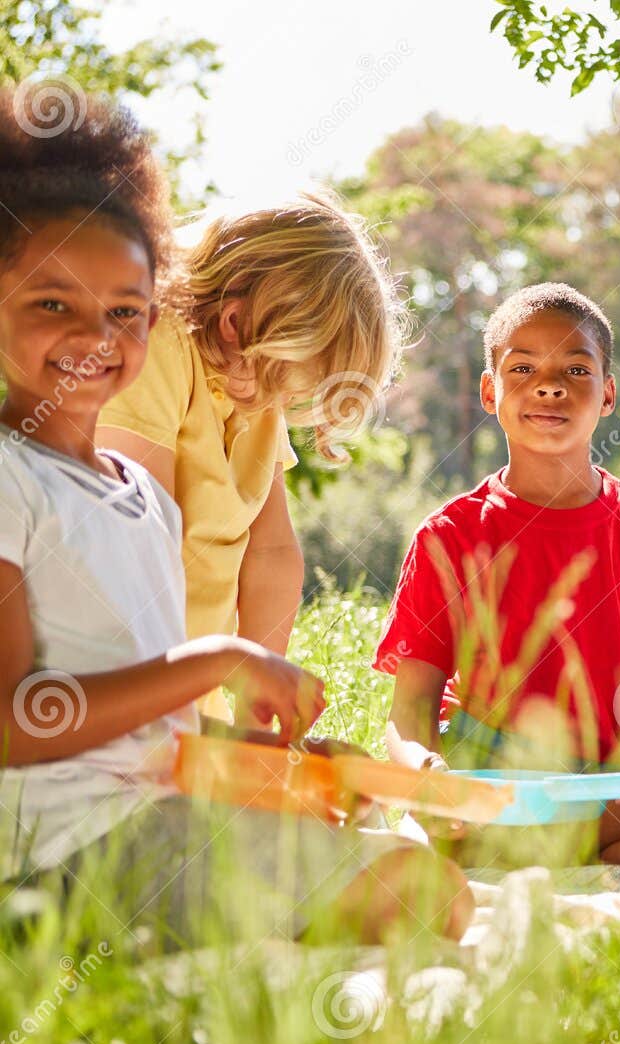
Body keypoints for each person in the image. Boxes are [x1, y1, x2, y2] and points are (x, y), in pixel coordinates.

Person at [0, 94, 471, 945]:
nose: (99, 336)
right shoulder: (134, 385)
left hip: (154, 756)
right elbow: (98, 642)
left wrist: (263, 721)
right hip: (96, 797)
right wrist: (218, 674)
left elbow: (271, 554)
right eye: (53, 305)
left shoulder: (232, 415)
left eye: (121, 314)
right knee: (413, 890)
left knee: (395, 862)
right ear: (234, 323)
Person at [375, 284, 620, 866]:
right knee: (429, 852)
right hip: (489, 790)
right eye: (522, 368)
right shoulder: (448, 536)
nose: (550, 386)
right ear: (488, 390)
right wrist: (426, 775)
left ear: (607, 394)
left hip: (609, 790)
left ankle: (603, 859)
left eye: (576, 369)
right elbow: (412, 707)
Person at [96, 188, 407, 666]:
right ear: (236, 322)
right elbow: (138, 543)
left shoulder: (249, 379)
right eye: (283, 385)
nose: (279, 405)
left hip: (186, 694)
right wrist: (165, 700)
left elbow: (273, 551)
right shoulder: (149, 342)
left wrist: (260, 701)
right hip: (105, 684)